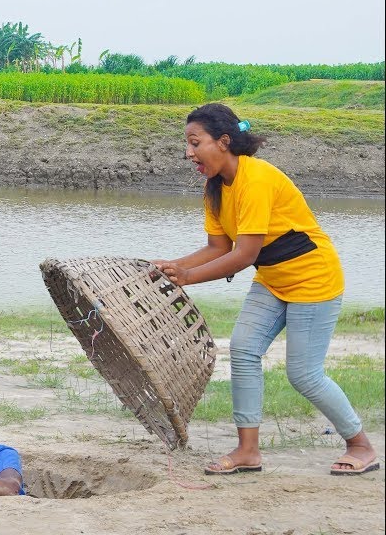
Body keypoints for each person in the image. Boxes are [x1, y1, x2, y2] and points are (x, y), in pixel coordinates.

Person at [153, 103, 379, 476]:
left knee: (304, 374)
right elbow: (218, 247)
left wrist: (188, 277)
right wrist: (171, 267)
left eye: (195, 142)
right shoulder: (215, 188)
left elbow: (244, 255)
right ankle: (248, 451)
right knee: (243, 350)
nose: (188, 152)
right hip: (273, 278)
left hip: (313, 279)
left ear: (224, 141)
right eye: (187, 144)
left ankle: (361, 446)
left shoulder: (256, 179)